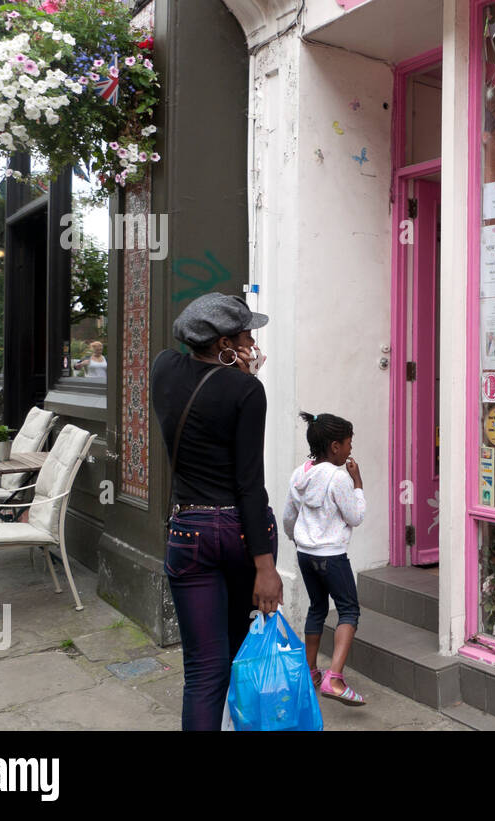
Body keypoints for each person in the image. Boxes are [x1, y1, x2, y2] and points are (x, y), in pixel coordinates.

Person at [151, 292, 282, 731]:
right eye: (246, 332)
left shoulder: (163, 369)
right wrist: (266, 567)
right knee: (239, 657)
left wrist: (234, 371)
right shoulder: (248, 391)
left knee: (204, 672)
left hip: (188, 532)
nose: (252, 338)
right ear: (226, 342)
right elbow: (249, 483)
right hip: (240, 537)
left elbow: (201, 387)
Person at [283, 411, 367, 706]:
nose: (350, 449)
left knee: (317, 608)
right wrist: (358, 483)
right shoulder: (339, 479)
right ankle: (335, 678)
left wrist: (299, 538)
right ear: (334, 447)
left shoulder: (300, 474)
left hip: (306, 555)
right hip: (332, 556)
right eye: (348, 443)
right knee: (348, 611)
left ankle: (310, 672)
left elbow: (289, 517)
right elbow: (355, 517)